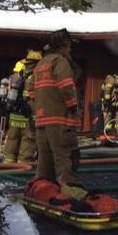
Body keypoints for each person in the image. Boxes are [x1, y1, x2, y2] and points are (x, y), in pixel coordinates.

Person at [33, 29, 85, 198]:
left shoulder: (40, 65)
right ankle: (70, 194)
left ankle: (42, 191)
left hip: (42, 121)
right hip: (60, 120)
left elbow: (33, 94)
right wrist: (73, 108)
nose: (70, 50)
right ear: (63, 46)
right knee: (66, 157)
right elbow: (66, 87)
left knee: (45, 161)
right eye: (69, 47)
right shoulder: (60, 61)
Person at [3, 50, 41, 163]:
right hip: (29, 117)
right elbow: (38, 97)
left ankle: (8, 165)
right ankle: (23, 167)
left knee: (12, 141)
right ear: (36, 64)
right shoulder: (36, 78)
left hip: (15, 115)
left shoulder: (17, 76)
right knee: (28, 142)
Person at [100, 67, 118, 134]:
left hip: (114, 101)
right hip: (106, 100)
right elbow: (107, 90)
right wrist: (107, 101)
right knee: (108, 114)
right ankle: (107, 131)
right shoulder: (111, 79)